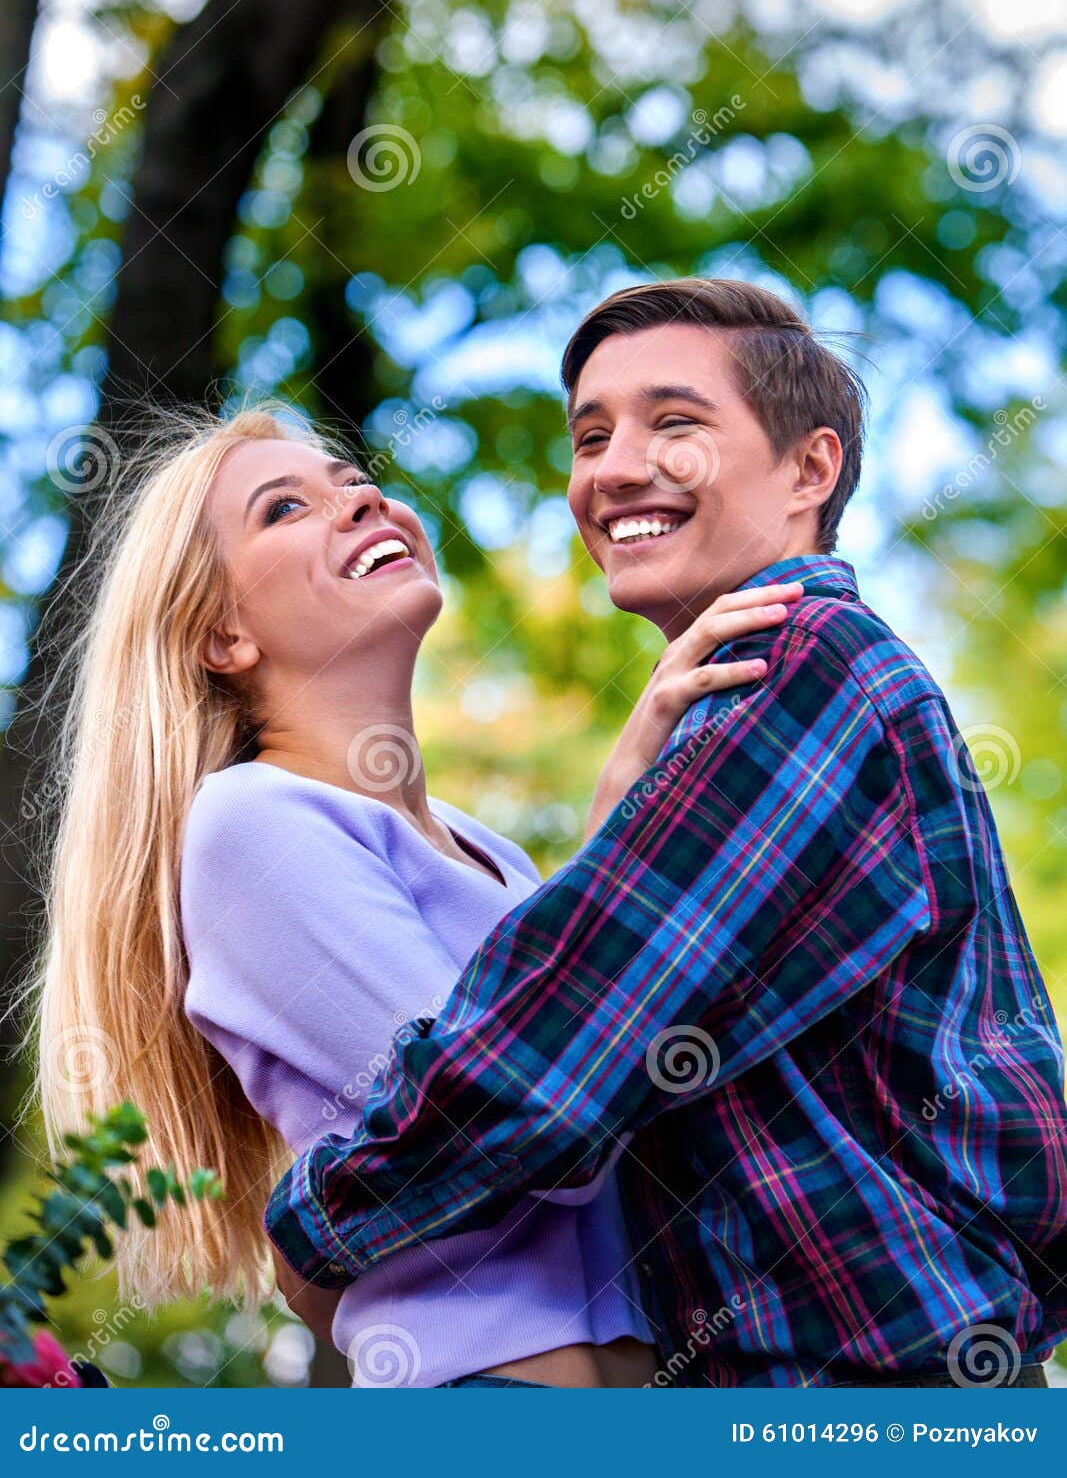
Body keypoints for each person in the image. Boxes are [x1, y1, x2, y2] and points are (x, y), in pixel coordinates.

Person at [266, 277, 1067, 1389]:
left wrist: (312, 1223)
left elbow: (550, 1056)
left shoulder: (802, 665)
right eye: (590, 435)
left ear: (809, 470)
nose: (612, 469)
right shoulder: (741, 700)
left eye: (673, 423)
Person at [31, 396, 797, 1390]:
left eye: (355, 482)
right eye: (284, 508)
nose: (365, 501)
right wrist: (620, 825)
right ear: (221, 635)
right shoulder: (250, 824)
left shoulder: (493, 855)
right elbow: (515, 1113)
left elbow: (620, 1098)